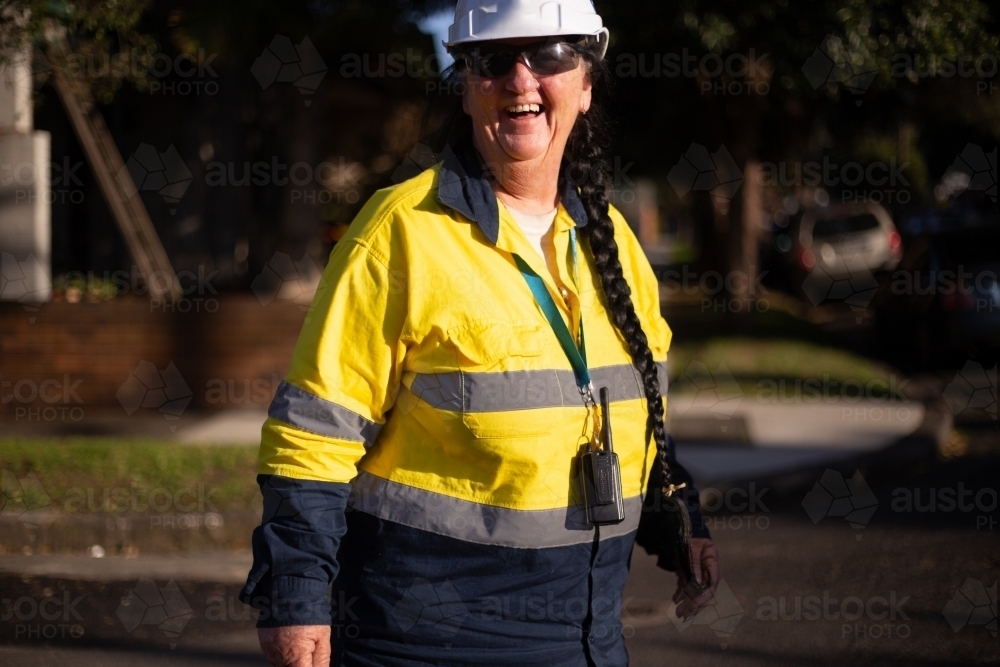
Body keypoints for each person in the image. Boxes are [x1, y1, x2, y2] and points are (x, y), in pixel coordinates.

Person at [241, 1, 720, 665]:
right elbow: (313, 438)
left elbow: (637, 421)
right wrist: (295, 597)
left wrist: (679, 520)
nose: (521, 79)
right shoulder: (400, 233)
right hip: (423, 640)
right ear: (465, 88)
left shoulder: (616, 246)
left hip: (586, 637)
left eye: (549, 55)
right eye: (493, 60)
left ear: (586, 84)